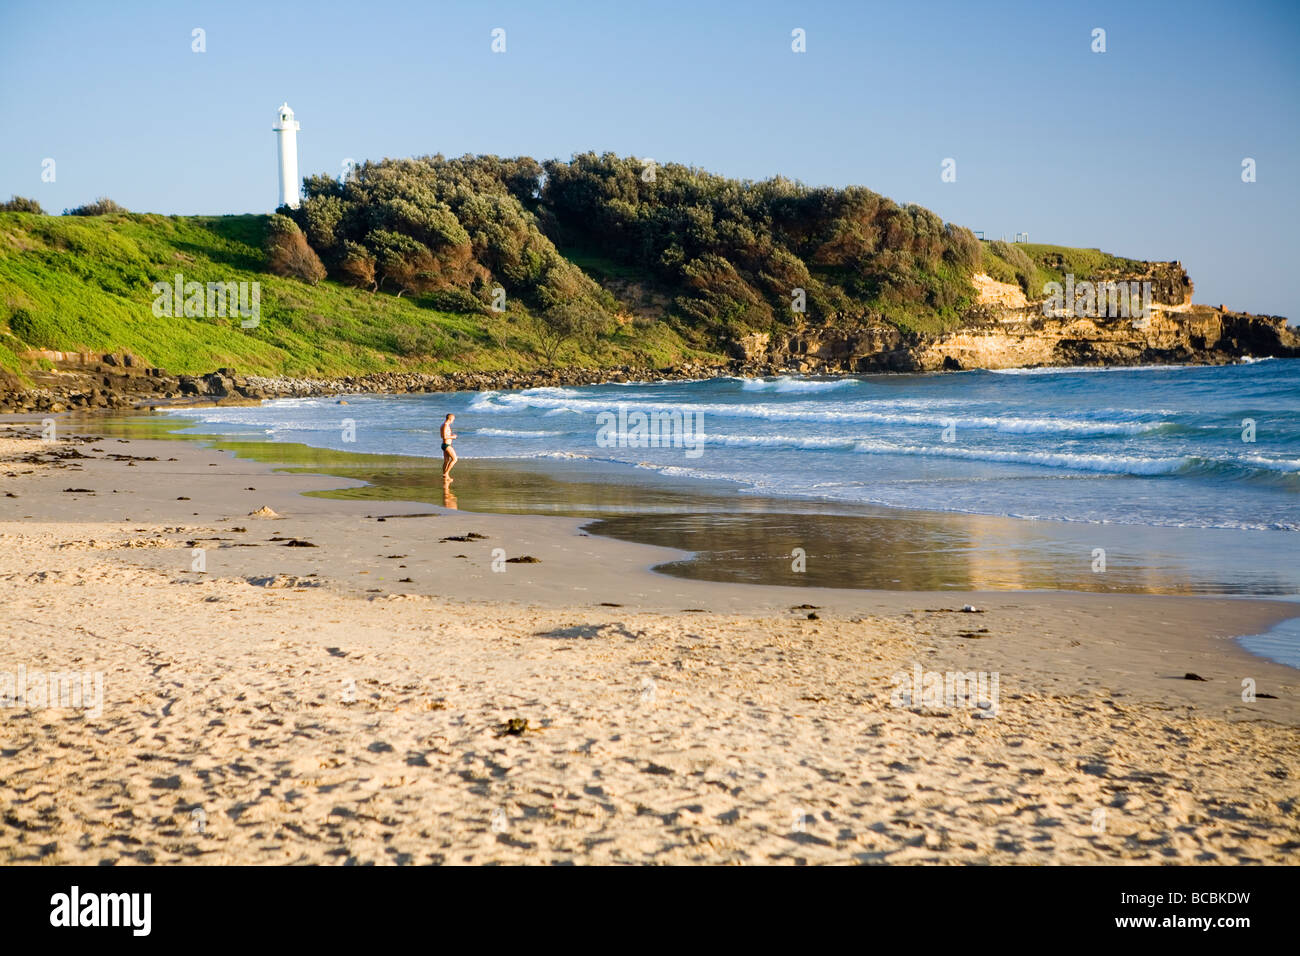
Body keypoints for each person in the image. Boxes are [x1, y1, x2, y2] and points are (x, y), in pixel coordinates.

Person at [440, 413, 458, 482]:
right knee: (455, 459)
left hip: (445, 445)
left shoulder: (444, 425)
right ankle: (446, 473)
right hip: (446, 445)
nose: (453, 421)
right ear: (450, 419)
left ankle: (446, 476)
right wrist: (453, 437)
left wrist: (450, 435)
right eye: (453, 419)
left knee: (446, 461)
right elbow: (444, 437)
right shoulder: (445, 425)